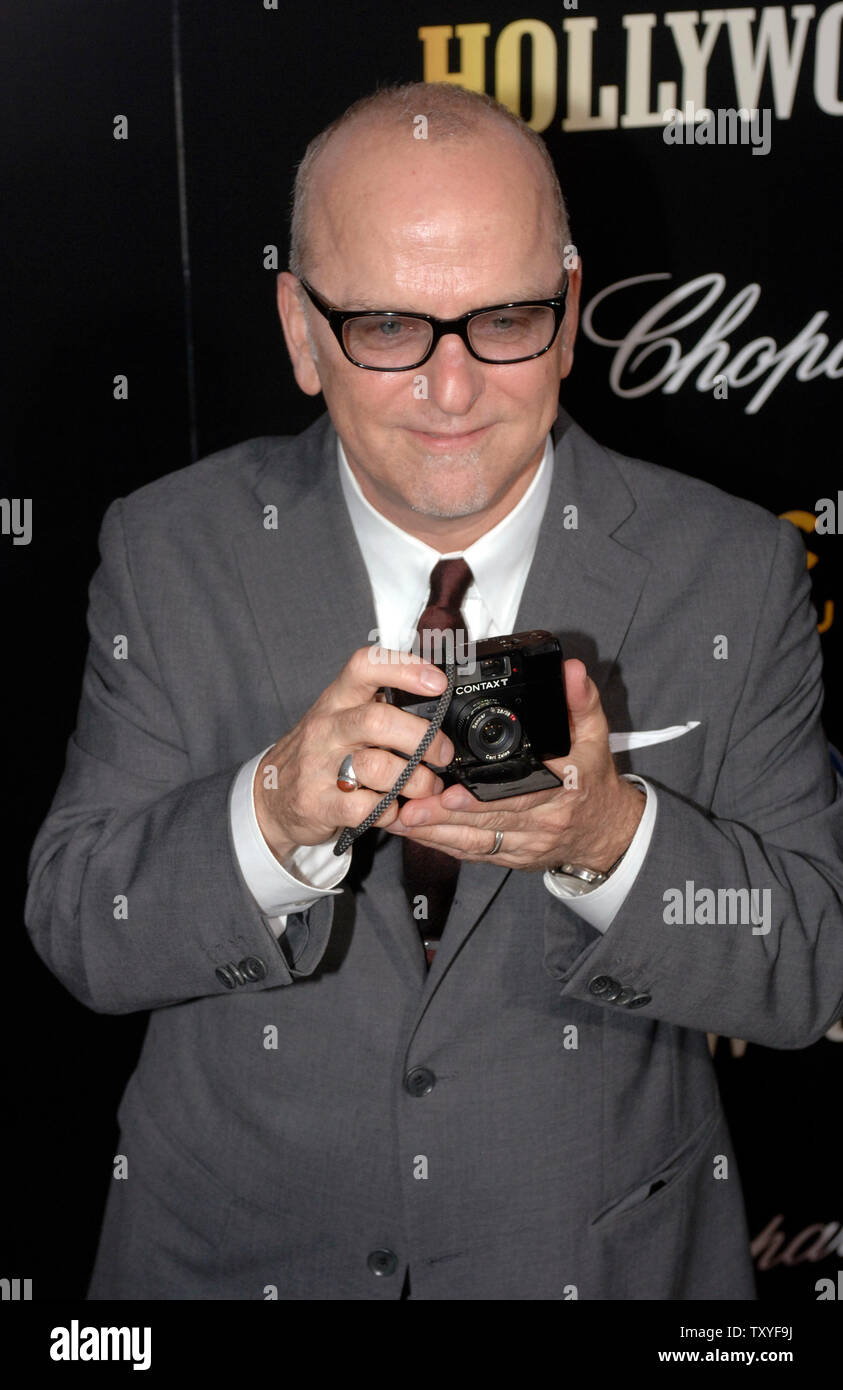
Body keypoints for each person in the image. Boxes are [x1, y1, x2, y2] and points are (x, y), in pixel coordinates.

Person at [25, 81, 843, 1301]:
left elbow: (811, 959)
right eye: (392, 328)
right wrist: (269, 817)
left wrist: (615, 840)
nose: (452, 391)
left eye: (503, 318)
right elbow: (84, 925)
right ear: (301, 331)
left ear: (568, 316)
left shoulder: (731, 567)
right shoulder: (168, 547)